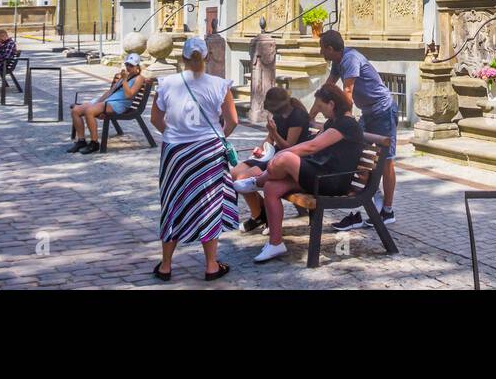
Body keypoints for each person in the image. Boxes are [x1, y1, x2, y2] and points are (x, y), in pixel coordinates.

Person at [235, 83, 365, 264]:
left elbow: (313, 146)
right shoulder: (333, 122)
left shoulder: (347, 124)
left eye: (320, 106)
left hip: (331, 181)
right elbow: (315, 144)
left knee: (284, 159)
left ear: (332, 104)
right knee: (272, 188)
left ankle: (257, 181)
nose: (319, 111)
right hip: (320, 174)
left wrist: (282, 155)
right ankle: (275, 243)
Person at [150, 36, 239, 282]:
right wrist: (219, 136)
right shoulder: (220, 85)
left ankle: (166, 265)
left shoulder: (167, 83)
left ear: (182, 58)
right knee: (209, 204)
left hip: (176, 154)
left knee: (172, 204)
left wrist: (173, 134)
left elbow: (156, 120)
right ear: (207, 57)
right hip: (209, 153)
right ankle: (211, 265)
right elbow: (232, 121)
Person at [319, 30, 397, 231]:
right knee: (358, 157)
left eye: (322, 48)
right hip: (368, 112)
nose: (321, 53)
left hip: (383, 110)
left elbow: (346, 93)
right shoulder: (337, 63)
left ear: (330, 48)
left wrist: (344, 122)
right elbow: (327, 89)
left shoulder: (351, 59)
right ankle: (361, 207)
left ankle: (387, 211)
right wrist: (311, 115)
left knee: (386, 161)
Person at [232, 86, 312, 233]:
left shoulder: (297, 116)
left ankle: (263, 215)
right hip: (272, 154)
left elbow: (289, 147)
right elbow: (269, 139)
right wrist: (260, 148)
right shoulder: (278, 116)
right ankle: (259, 214)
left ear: (280, 106)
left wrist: (273, 132)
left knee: (242, 179)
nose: (272, 113)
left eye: (272, 109)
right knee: (234, 174)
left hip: (286, 160)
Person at [67, 55, 146, 154]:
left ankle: (94, 143)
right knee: (76, 110)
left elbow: (129, 95)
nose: (128, 67)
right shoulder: (124, 77)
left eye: (131, 65)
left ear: (137, 67)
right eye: (127, 64)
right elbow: (110, 92)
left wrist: (125, 80)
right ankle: (81, 141)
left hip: (119, 104)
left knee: (89, 111)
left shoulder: (139, 78)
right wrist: (97, 102)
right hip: (108, 101)